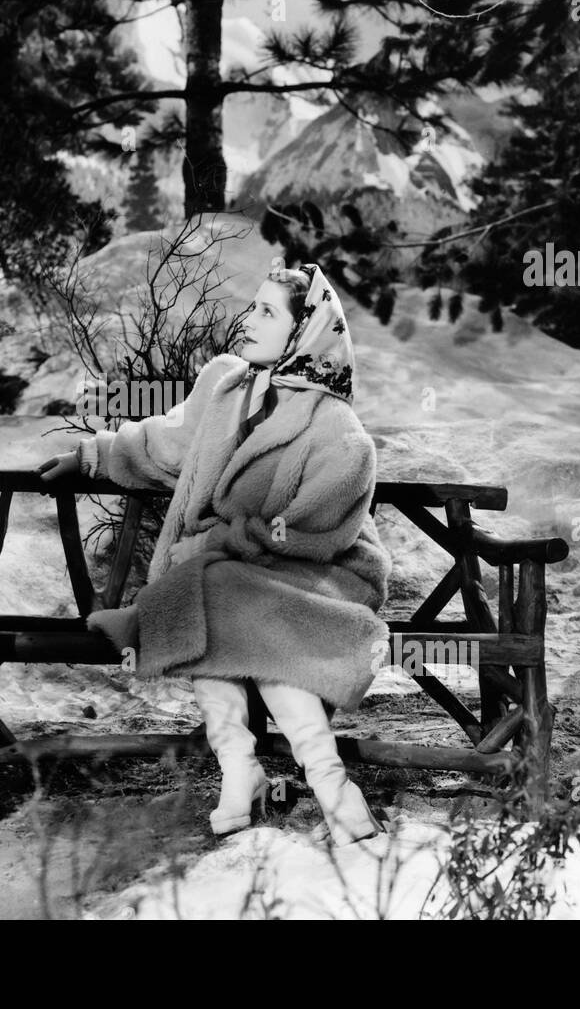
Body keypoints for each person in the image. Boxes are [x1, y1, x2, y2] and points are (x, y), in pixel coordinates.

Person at [37, 258, 392, 845]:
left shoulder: (337, 427)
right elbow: (167, 442)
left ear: (304, 331)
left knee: (217, 592)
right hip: (234, 574)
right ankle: (245, 770)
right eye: (252, 306)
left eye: (268, 312)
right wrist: (92, 456)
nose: (248, 320)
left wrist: (215, 543)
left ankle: (323, 781)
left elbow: (313, 529)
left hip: (322, 571)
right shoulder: (226, 386)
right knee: (213, 591)